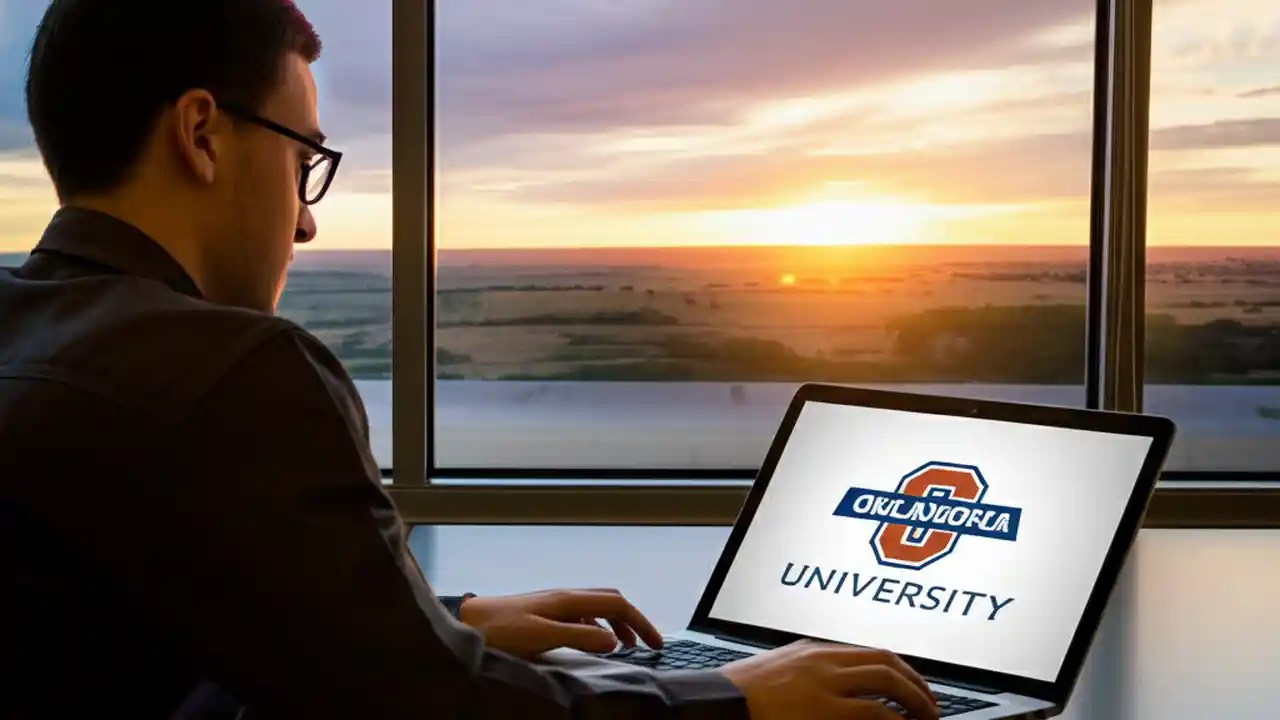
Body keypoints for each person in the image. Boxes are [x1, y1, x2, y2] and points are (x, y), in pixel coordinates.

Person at [0, 2, 939, 718]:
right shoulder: (234, 368)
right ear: (201, 135)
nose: (305, 220)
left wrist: (439, 622)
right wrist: (734, 698)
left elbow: (123, 623)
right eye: (302, 162)